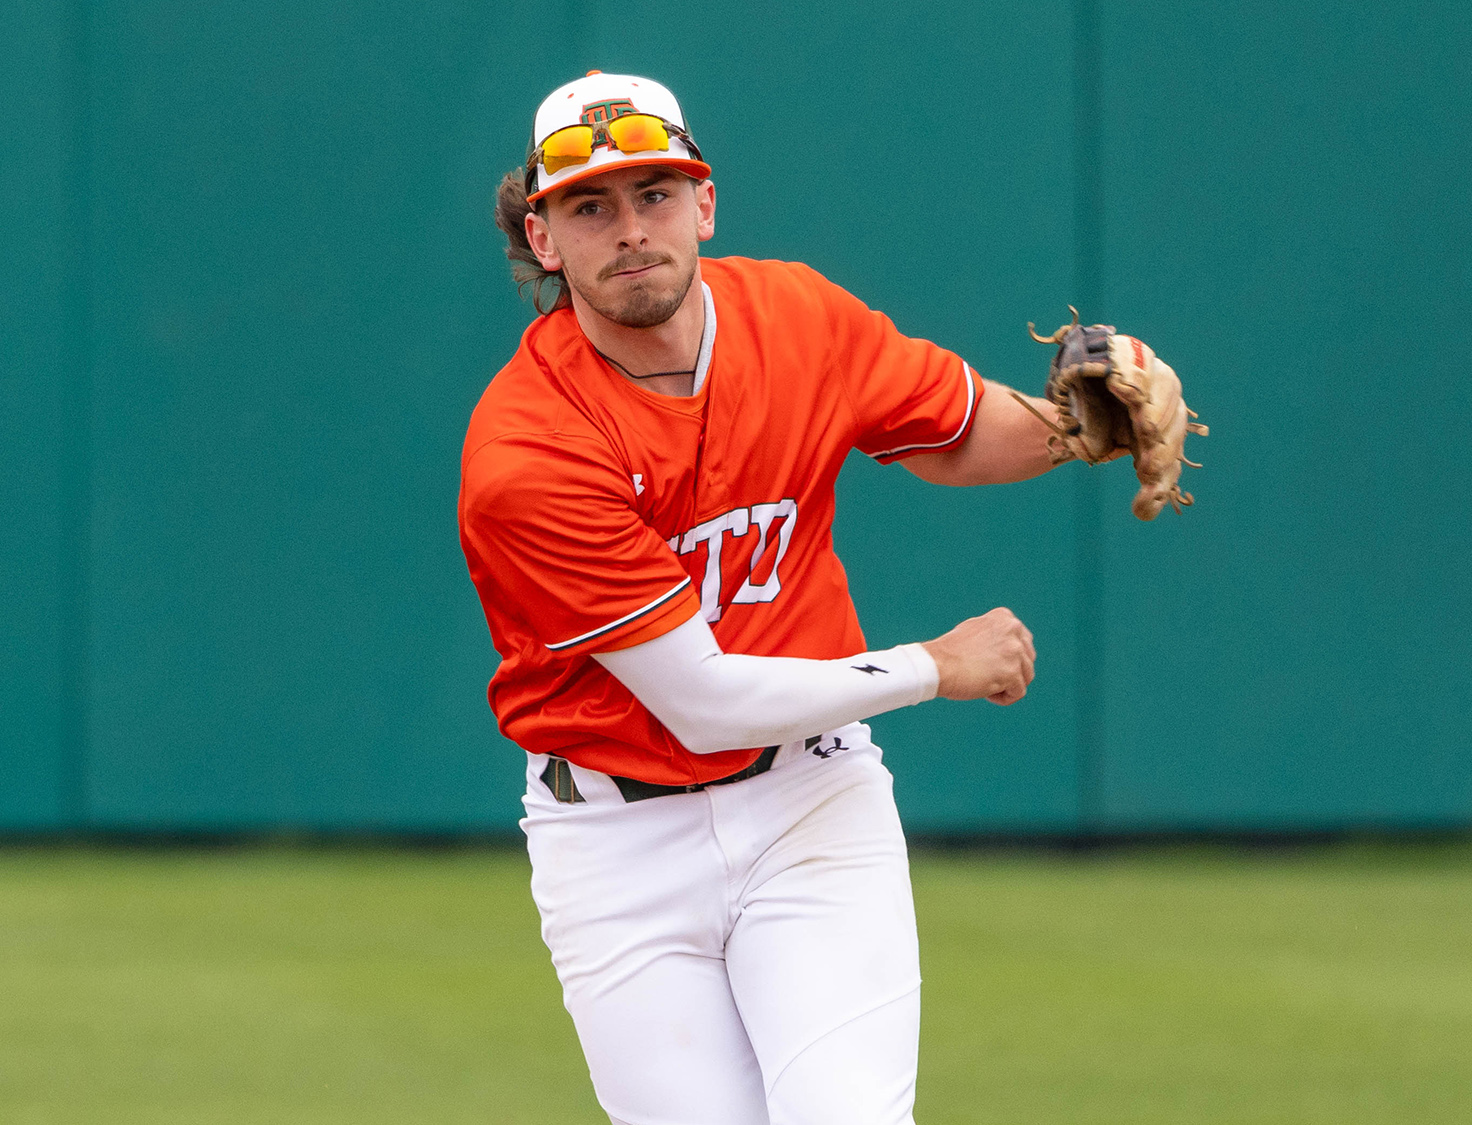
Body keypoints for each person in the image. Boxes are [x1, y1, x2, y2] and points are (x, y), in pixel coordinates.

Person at [459, 72, 1192, 1124]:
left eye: (654, 194)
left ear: (703, 205)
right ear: (543, 238)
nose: (629, 230)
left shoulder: (796, 318)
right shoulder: (526, 448)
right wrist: (932, 667)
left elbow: (954, 431)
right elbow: (700, 702)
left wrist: (1074, 426)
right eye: (590, 207)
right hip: (614, 846)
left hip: (808, 802)